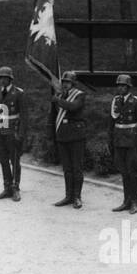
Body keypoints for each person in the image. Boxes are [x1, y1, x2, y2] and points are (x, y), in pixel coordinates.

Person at [109, 74, 137, 214]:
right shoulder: (115, 101)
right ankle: (126, 201)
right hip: (119, 141)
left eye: (124, 86)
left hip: (132, 142)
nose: (121, 88)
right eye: (119, 85)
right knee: (124, 172)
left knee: (133, 173)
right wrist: (111, 141)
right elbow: (112, 124)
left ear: (129, 87)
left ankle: (134, 203)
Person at [0, 66, 28, 201]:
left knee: (15, 161)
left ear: (10, 79)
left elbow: (24, 116)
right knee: (3, 160)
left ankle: (15, 187)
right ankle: (7, 187)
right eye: (1, 78)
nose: (3, 80)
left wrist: (21, 134)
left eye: (5, 78)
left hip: (13, 132)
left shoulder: (18, 93)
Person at [52, 71, 88, 209]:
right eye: (64, 82)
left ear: (73, 83)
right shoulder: (60, 95)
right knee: (67, 168)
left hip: (76, 135)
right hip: (62, 135)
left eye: (68, 82)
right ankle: (68, 196)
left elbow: (73, 107)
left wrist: (58, 101)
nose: (65, 84)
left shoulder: (79, 95)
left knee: (77, 168)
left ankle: (77, 197)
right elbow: (54, 115)